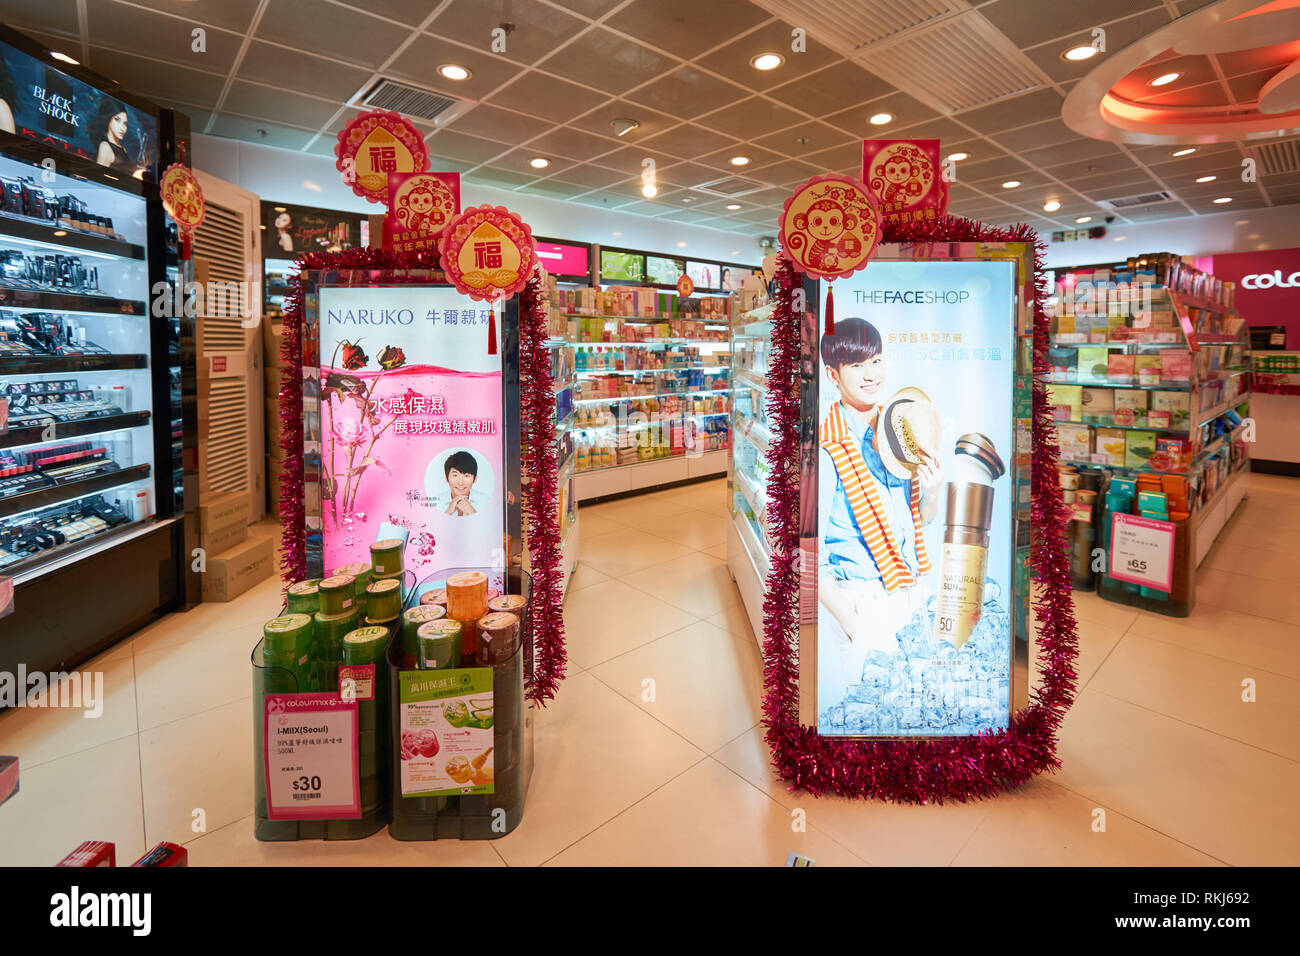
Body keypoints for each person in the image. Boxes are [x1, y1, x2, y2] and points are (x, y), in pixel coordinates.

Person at [817, 317, 942, 708]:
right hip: (860, 600)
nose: (870, 375)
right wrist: (856, 626)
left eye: (876, 361)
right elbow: (807, 555)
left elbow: (919, 521)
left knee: (911, 712)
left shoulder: (901, 427)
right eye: (856, 366)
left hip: (908, 591)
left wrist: (933, 489)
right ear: (832, 374)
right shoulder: (827, 447)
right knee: (866, 720)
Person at [91, 100, 135, 174]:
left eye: (125, 123)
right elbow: (98, 177)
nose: (123, 128)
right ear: (108, 119)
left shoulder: (122, 149)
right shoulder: (105, 147)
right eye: (117, 120)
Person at [443, 450, 478, 516]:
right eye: (455, 475)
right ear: (446, 478)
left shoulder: (485, 501)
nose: (461, 483)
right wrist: (448, 512)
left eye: (466, 476)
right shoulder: (436, 502)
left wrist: (471, 512)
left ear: (475, 478)